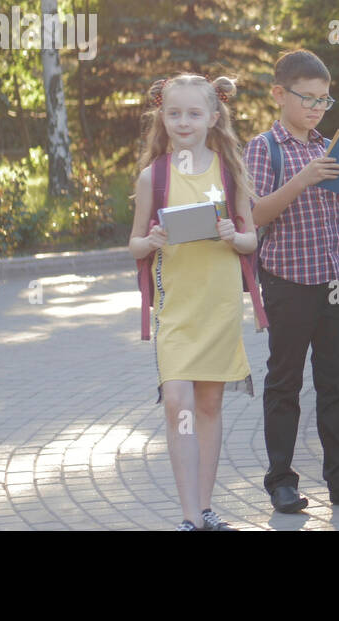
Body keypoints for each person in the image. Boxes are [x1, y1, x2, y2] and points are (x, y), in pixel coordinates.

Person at [244, 49, 339, 513]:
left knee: (336, 383)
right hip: (287, 281)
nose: (316, 108)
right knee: (284, 383)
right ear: (279, 95)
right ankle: (282, 482)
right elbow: (254, 215)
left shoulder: (332, 149)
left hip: (335, 280)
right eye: (307, 98)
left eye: (324, 100)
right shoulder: (263, 148)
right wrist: (302, 179)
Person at [127, 74, 257, 531]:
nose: (183, 122)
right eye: (174, 113)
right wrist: (152, 239)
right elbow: (135, 245)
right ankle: (188, 518)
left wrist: (233, 234)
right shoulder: (153, 176)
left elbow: (250, 239)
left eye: (194, 113)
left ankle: (205, 510)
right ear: (162, 116)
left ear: (213, 117)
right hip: (176, 309)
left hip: (218, 308)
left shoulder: (229, 170)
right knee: (177, 402)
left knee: (208, 406)